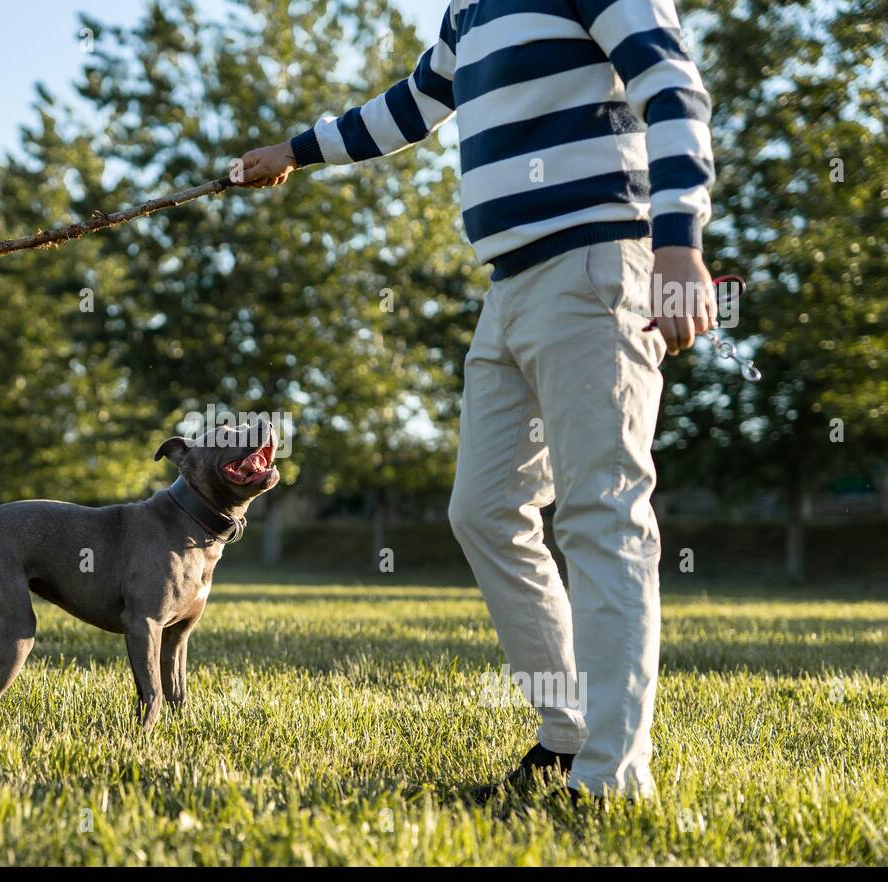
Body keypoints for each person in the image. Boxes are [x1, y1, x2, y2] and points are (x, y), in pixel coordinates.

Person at [238, 0, 717, 801]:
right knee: (486, 509)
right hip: (510, 286)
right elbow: (410, 108)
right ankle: (565, 734)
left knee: (602, 511)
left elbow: (672, 86)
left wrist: (679, 246)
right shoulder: (469, 10)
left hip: (599, 262)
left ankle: (612, 779)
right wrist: (293, 151)